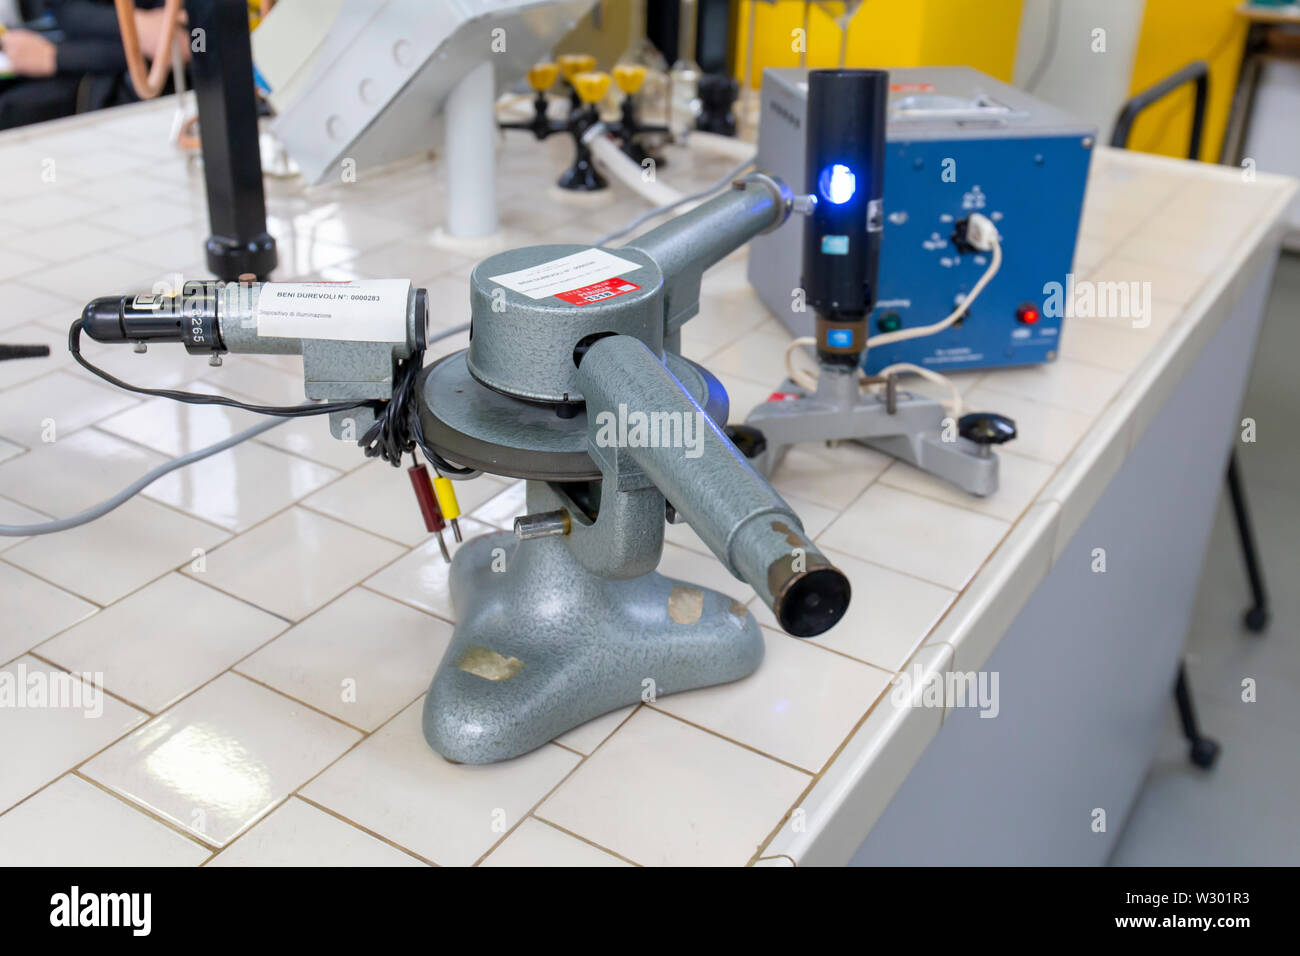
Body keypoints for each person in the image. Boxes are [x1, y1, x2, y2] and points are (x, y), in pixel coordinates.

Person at [0, 0, 187, 130]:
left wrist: (54, 57)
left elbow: (188, 43)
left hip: (128, 80)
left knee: (14, 110)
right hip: (78, 48)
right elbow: (69, 10)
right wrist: (138, 26)